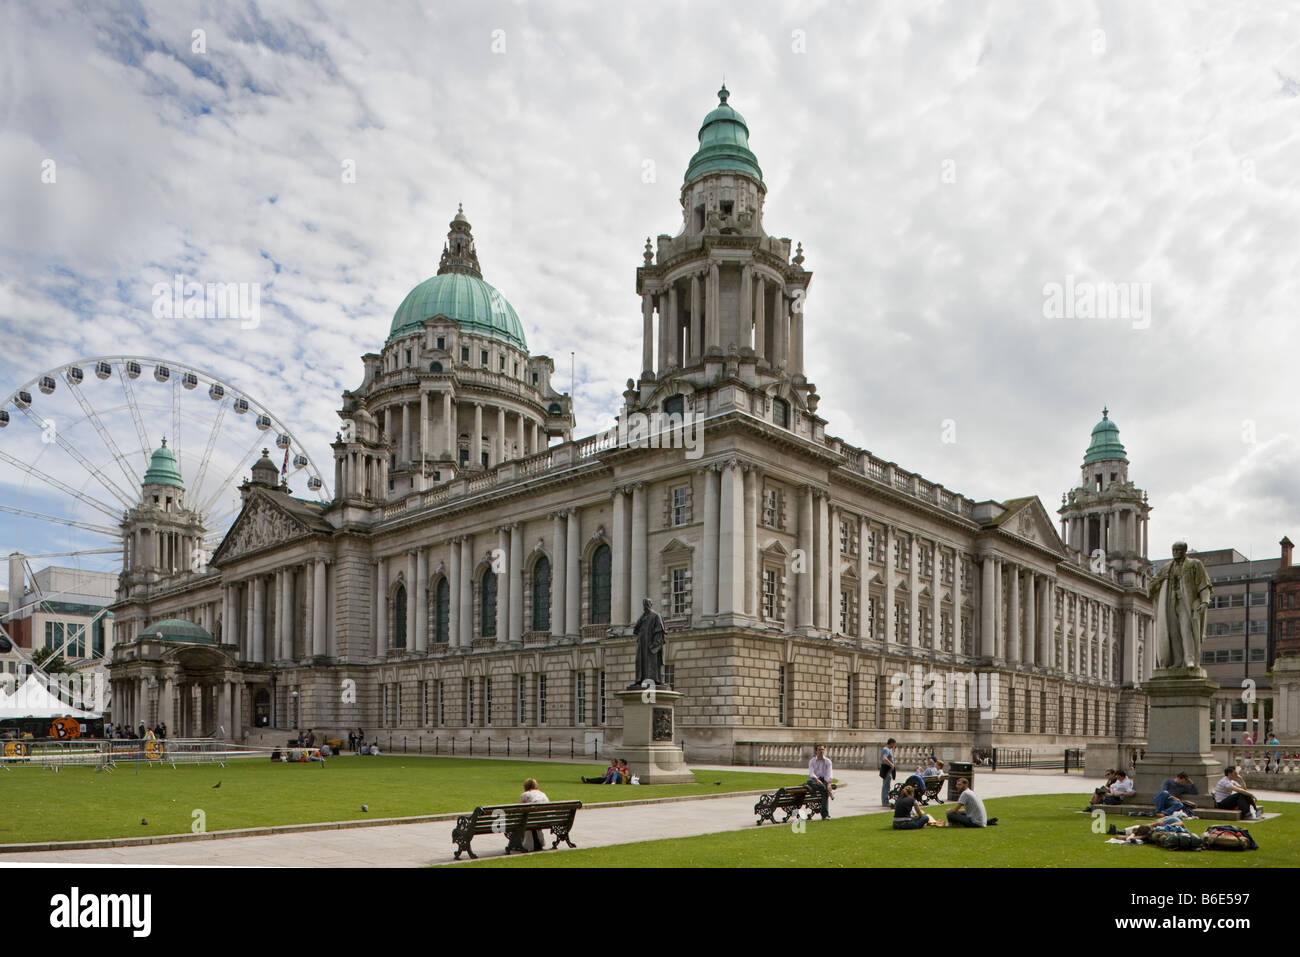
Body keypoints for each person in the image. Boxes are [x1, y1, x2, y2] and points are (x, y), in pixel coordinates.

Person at [519, 778, 550, 852]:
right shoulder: (542, 794)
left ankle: (525, 844)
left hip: (531, 820)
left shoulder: (525, 794)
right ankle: (539, 842)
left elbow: (520, 810)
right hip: (545, 819)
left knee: (524, 820)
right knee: (533, 818)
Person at [806, 744, 835, 819]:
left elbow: (829, 774)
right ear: (816, 751)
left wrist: (829, 783)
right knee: (810, 781)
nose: (821, 751)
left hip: (823, 780)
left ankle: (824, 814)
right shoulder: (812, 761)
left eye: (822, 749)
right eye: (819, 749)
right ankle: (825, 815)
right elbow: (811, 773)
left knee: (824, 790)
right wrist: (817, 779)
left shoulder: (828, 761)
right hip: (815, 779)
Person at [880, 738, 897, 807]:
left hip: (888, 769)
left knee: (887, 785)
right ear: (891, 743)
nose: (894, 746)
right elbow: (884, 758)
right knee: (886, 786)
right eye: (894, 744)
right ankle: (885, 802)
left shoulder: (888, 749)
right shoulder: (886, 749)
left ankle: (885, 801)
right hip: (887, 769)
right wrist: (891, 764)